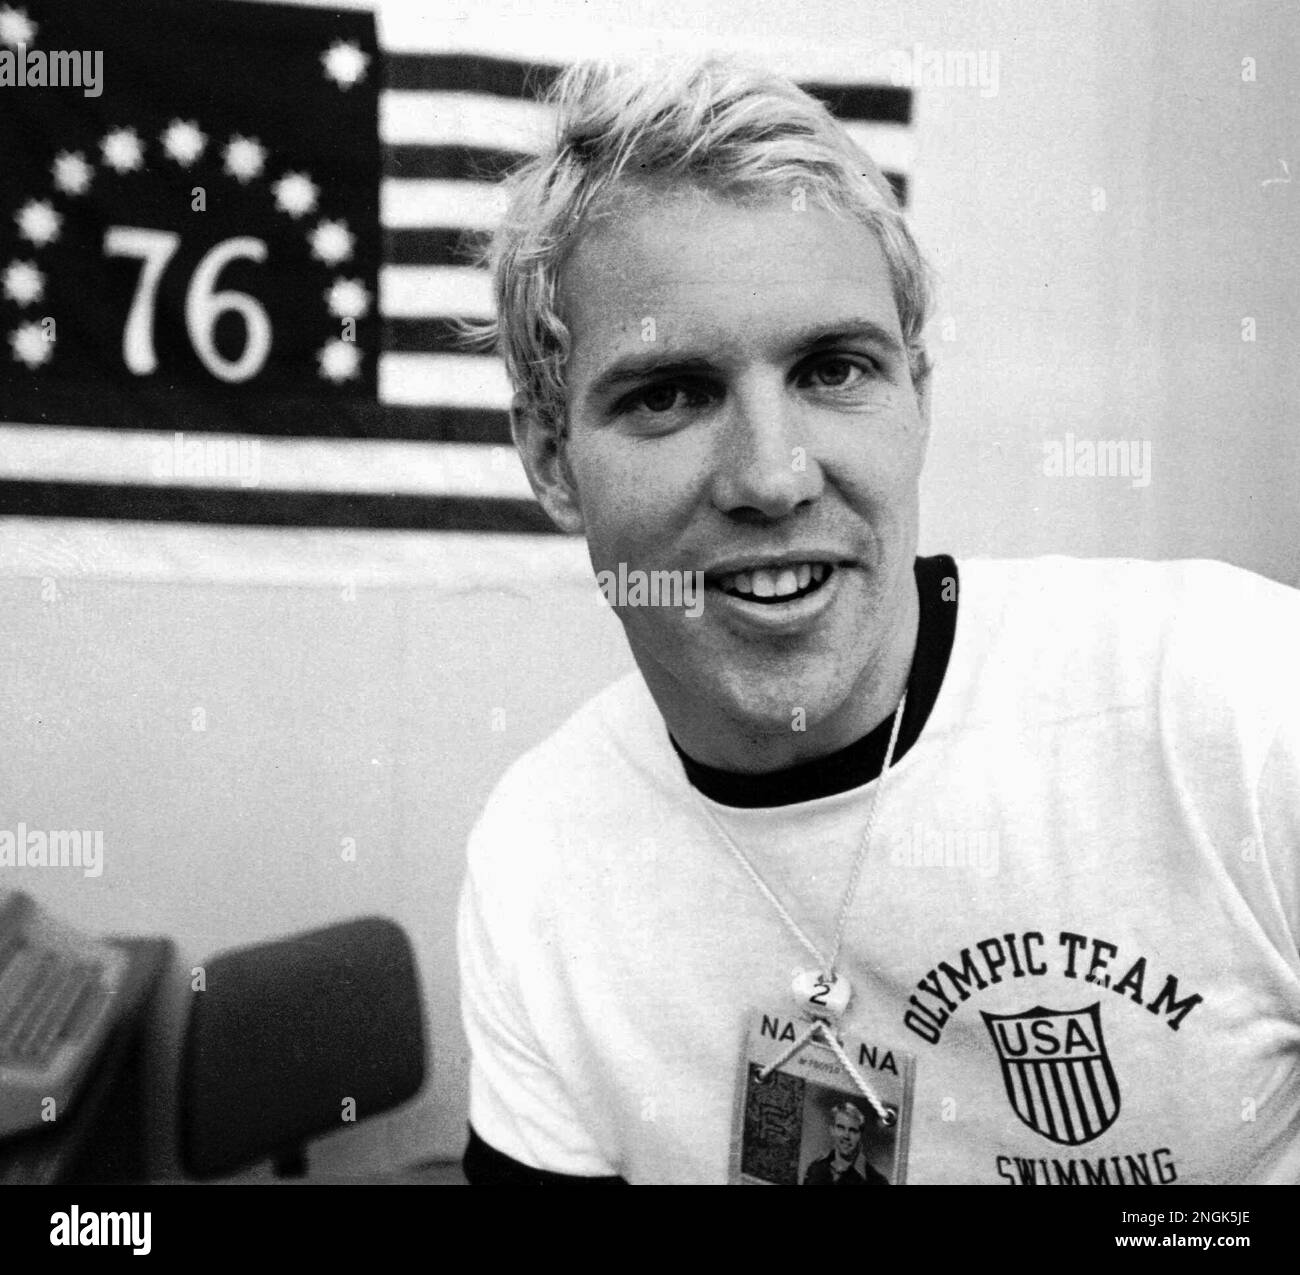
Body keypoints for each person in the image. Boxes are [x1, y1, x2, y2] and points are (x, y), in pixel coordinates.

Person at [457, 55, 1300, 1186]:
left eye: (833, 369)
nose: (772, 477)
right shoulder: (539, 857)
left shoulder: (1237, 703)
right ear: (552, 460)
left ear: (917, 401)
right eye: (668, 394)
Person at [802, 1103, 889, 1186]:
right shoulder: (815, 1169)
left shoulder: (877, 1181)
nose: (846, 1136)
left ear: (860, 1135)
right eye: (841, 1128)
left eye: (853, 1130)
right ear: (832, 1130)